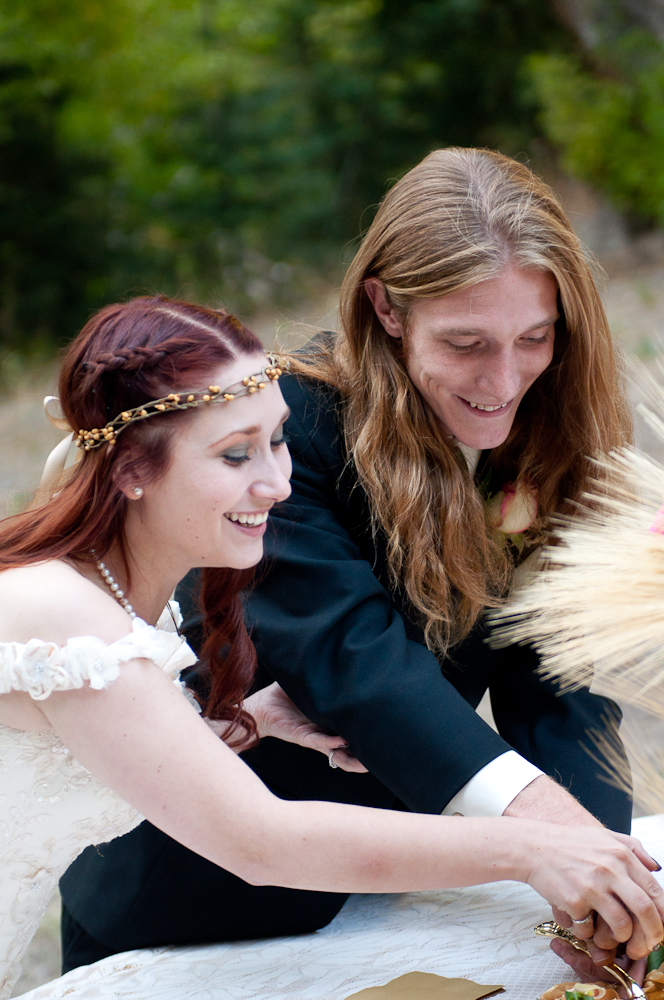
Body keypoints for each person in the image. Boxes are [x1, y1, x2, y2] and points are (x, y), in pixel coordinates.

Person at [59, 150, 639, 977]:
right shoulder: (287, 430)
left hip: (387, 885)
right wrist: (552, 835)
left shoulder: (545, 443)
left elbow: (556, 684)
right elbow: (354, 661)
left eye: (535, 337)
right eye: (466, 342)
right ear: (387, 307)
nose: (503, 379)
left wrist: (601, 877)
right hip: (197, 895)